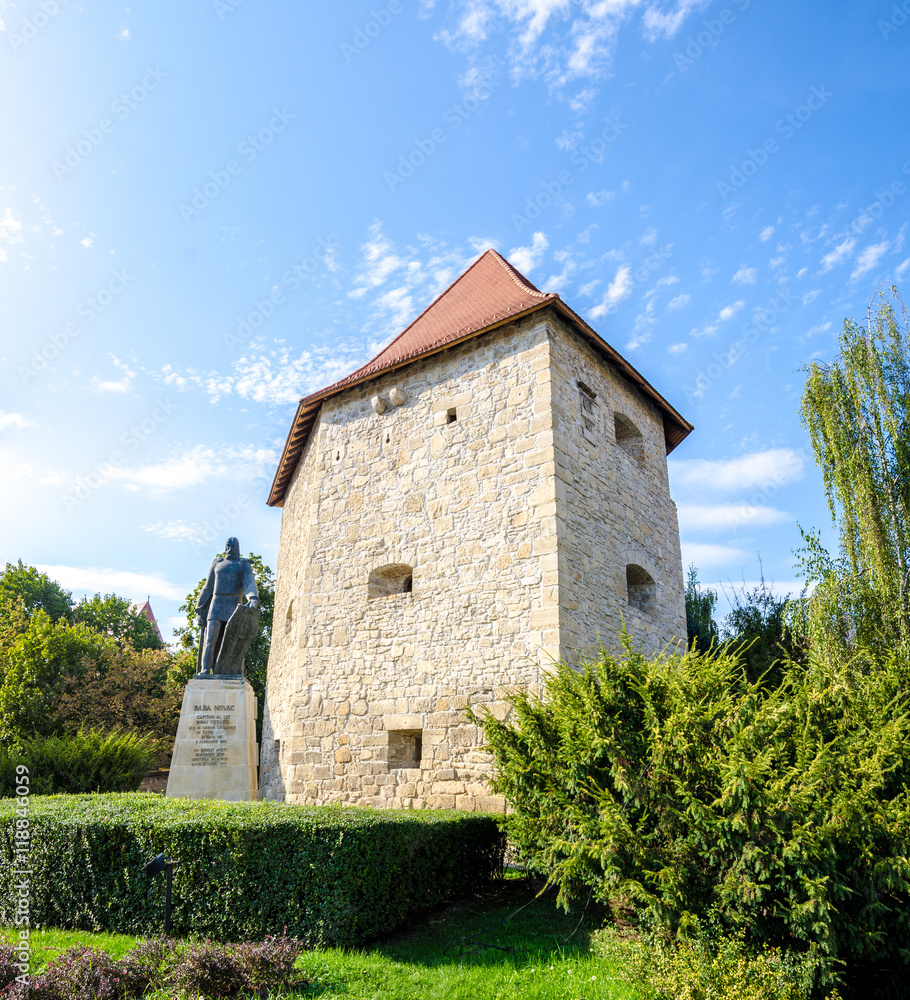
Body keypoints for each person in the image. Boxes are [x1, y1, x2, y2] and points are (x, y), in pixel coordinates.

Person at [195, 537, 259, 676]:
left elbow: (249, 582)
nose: (230, 549)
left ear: (238, 548)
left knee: (234, 640)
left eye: (233, 546)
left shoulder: (243, 564)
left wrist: (253, 598)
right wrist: (200, 608)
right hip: (216, 604)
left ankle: (235, 671)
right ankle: (205, 670)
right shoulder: (217, 563)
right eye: (228, 546)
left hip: (234, 604)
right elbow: (208, 587)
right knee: (210, 639)